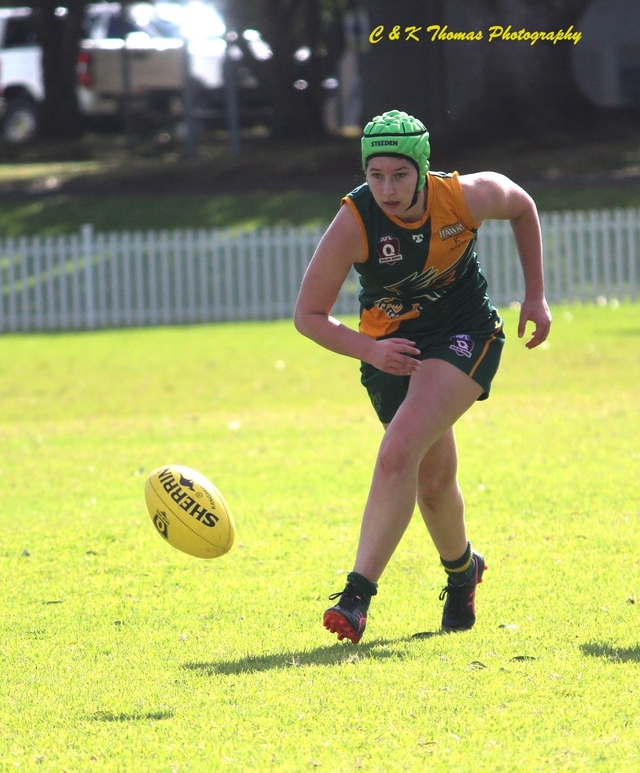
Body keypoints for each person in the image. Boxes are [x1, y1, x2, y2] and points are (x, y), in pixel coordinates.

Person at [294, 109, 551, 644]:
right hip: (393, 352)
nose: (386, 189)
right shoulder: (356, 219)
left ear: (422, 168)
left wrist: (535, 295)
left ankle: (356, 596)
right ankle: (463, 573)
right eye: (375, 175)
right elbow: (308, 316)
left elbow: (522, 206)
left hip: (465, 335)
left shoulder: (464, 197)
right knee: (433, 484)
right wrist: (372, 350)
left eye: (400, 174)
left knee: (397, 451)